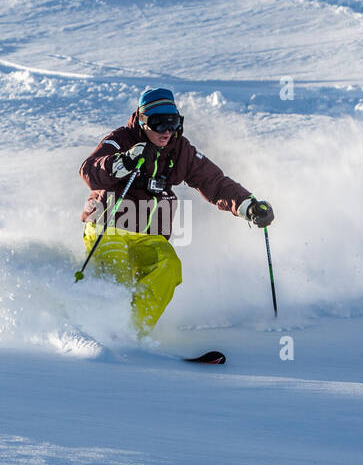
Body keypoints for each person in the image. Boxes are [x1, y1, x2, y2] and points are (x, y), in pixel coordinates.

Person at [78, 87, 275, 334]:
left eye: (174, 123)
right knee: (118, 278)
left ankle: (134, 331)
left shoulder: (180, 149)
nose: (167, 131)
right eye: (159, 124)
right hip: (107, 229)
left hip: (148, 237)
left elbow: (213, 181)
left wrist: (248, 205)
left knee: (169, 266)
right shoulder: (121, 140)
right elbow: (89, 170)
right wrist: (123, 162)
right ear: (142, 120)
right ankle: (106, 331)